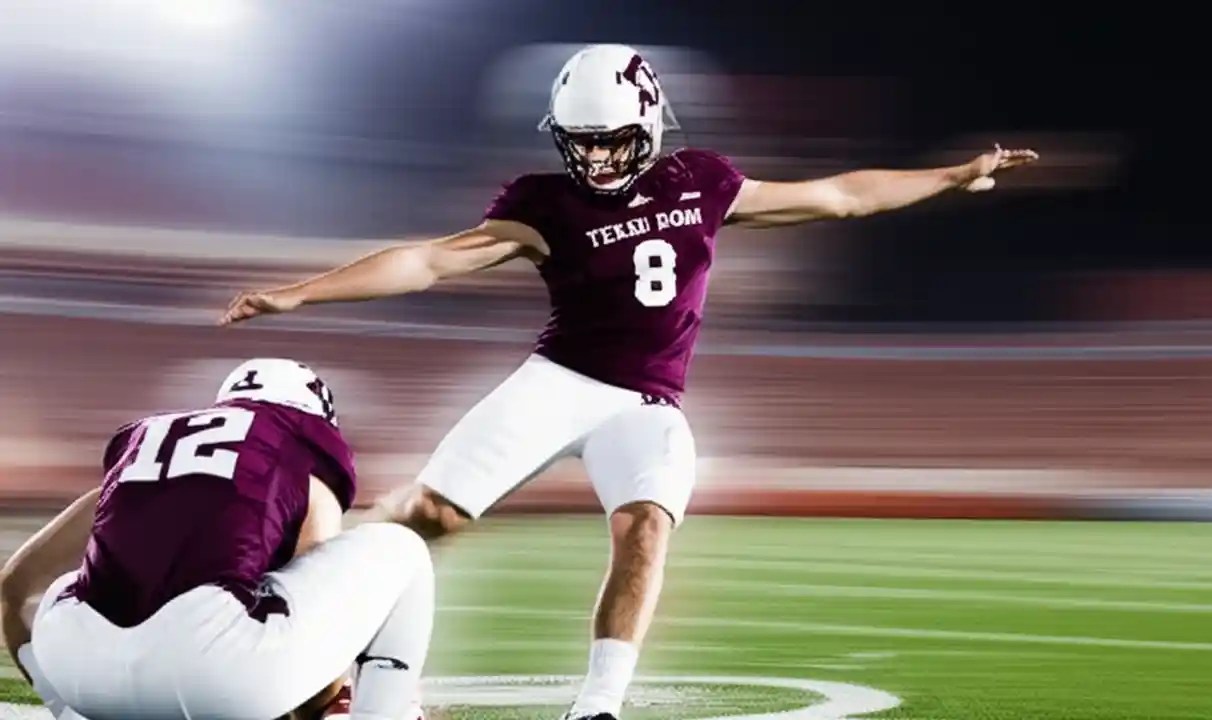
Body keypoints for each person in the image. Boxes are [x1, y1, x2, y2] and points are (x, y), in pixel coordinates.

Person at [218, 44, 1039, 719]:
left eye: (612, 139)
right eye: (583, 141)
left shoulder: (704, 181)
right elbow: (428, 259)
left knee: (646, 526)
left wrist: (949, 177)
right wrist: (303, 290)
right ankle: (283, 615)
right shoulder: (543, 205)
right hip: (559, 379)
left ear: (649, 126)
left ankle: (598, 707)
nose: (598, 156)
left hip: (646, 406)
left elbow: (839, 196)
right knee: (426, 516)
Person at [0, 358, 433, 720]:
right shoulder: (295, 459)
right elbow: (313, 679)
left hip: (81, 674)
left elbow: (13, 588)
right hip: (214, 670)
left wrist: (63, 700)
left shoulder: (143, 458)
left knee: (67, 588)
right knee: (403, 549)